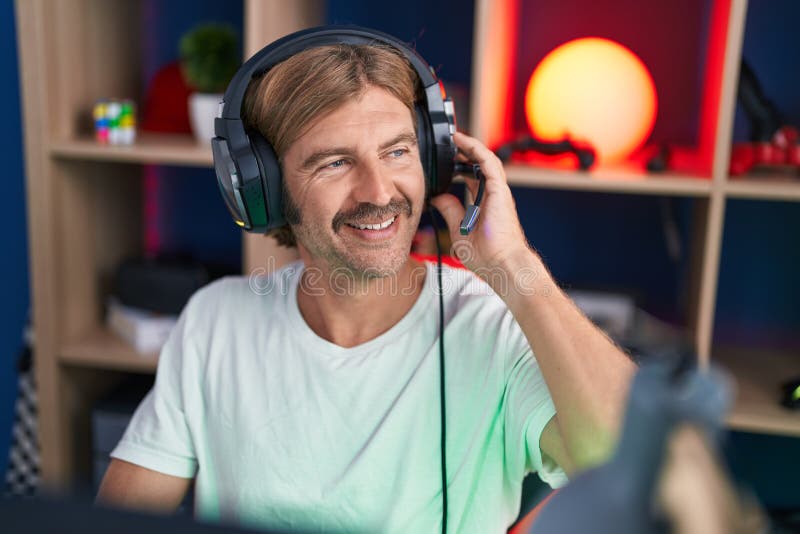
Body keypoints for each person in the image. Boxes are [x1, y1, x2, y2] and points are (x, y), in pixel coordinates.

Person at [97, 36, 636, 533]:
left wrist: (515, 265)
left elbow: (639, 467)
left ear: (433, 158)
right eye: (334, 163)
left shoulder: (495, 330)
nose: (378, 191)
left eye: (398, 151)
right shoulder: (216, 321)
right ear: (263, 189)